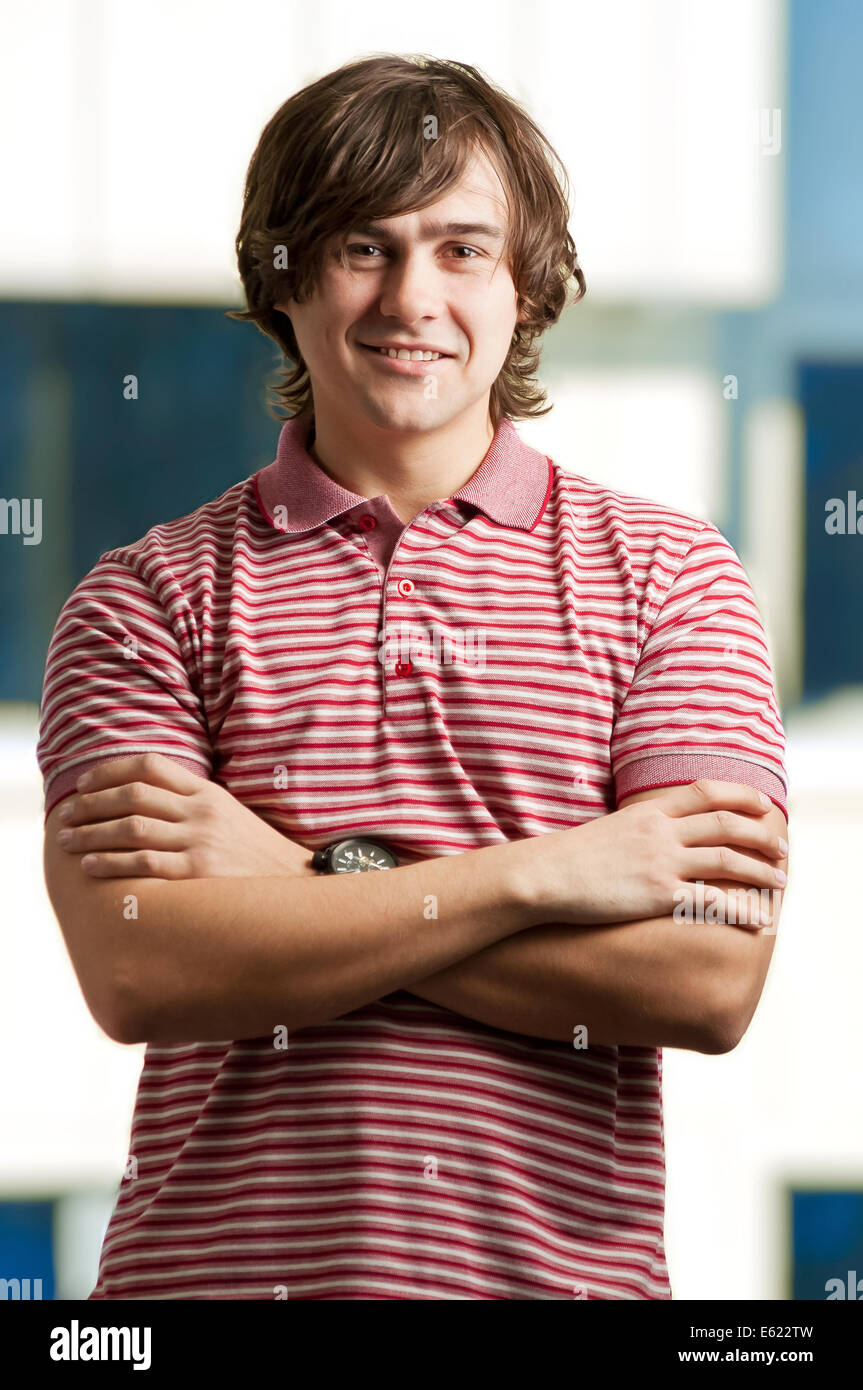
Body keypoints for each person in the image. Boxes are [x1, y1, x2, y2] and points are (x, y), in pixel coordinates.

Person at [37, 54, 789, 1300]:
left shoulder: (671, 575)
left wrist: (295, 875)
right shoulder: (143, 598)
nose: (409, 297)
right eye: (360, 247)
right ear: (282, 277)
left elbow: (704, 978)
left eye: (460, 249)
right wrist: (545, 876)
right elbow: (140, 969)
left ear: (525, 282)